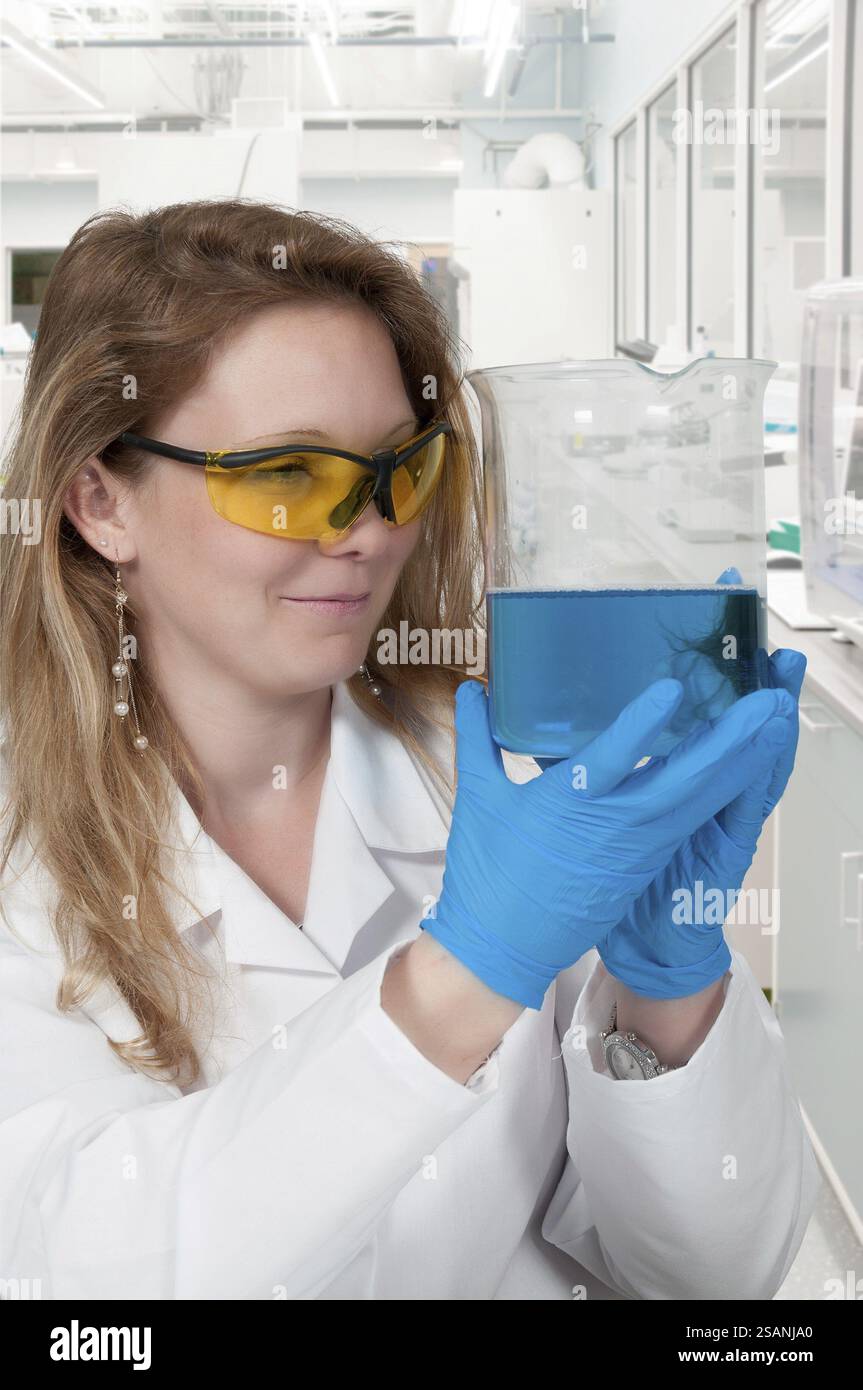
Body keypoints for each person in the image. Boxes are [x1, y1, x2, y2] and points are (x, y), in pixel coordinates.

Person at [0, 199, 820, 1301]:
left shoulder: (521, 776)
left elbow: (716, 1285)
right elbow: (71, 1287)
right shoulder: (19, 848)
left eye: (398, 468)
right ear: (99, 501)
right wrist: (460, 978)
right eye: (286, 477)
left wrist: (664, 988)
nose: (368, 530)